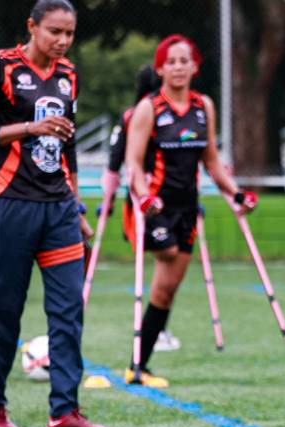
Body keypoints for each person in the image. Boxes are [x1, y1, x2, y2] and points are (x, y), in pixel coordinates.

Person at [0, 0, 109, 427]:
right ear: (32, 26)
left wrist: (77, 205)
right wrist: (29, 128)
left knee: (68, 310)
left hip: (59, 211)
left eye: (69, 33)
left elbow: (67, 149)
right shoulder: (0, 66)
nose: (63, 41)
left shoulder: (68, 76)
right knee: (4, 311)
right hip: (9, 205)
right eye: (54, 32)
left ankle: (64, 411)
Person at [123, 34, 257, 387]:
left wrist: (237, 194)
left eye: (185, 60)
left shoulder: (203, 106)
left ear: (195, 66)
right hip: (156, 206)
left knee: (167, 289)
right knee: (165, 255)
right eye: (172, 61)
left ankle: (139, 364)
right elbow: (133, 163)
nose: (178, 67)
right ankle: (138, 361)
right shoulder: (149, 108)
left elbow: (211, 159)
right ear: (160, 68)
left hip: (187, 208)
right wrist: (143, 196)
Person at [102, 64, 180, 350]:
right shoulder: (134, 116)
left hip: (170, 197)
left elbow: (113, 164)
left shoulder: (166, 115)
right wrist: (108, 202)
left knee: (168, 262)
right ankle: (153, 330)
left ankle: (156, 328)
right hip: (143, 198)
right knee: (166, 254)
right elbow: (118, 159)